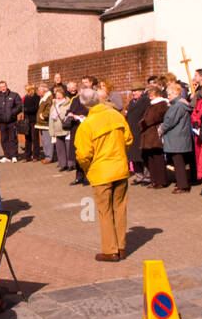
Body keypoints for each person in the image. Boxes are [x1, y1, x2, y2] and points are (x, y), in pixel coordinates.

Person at [73, 81, 133, 261]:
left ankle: (110, 250)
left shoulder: (87, 125)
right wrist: (121, 155)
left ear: (84, 104)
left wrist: (87, 168)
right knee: (120, 208)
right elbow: (128, 139)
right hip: (120, 168)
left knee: (105, 212)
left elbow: (83, 154)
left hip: (101, 172)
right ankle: (121, 246)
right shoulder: (116, 116)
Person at [160, 82, 194, 193]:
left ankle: (183, 185)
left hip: (177, 138)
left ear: (176, 93)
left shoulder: (178, 106)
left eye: (169, 94)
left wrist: (161, 129)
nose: (168, 96)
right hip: (179, 137)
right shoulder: (180, 105)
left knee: (178, 163)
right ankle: (181, 183)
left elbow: (170, 121)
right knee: (178, 162)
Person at [139, 84, 168, 189]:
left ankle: (161, 181)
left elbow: (152, 118)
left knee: (158, 159)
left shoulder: (161, 104)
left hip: (155, 135)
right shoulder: (152, 105)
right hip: (149, 135)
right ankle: (154, 180)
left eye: (152, 95)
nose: (150, 97)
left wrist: (143, 123)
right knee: (150, 159)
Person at [0, 80, 22, 162]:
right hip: (2, 122)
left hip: (12, 121)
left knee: (13, 138)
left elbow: (19, 106)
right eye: (1, 87)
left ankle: (14, 155)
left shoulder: (14, 95)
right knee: (3, 139)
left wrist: (12, 113)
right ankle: (7, 155)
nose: (3, 88)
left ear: (6, 86)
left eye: (4, 86)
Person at [125, 87, 150, 183]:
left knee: (142, 156)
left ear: (141, 91)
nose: (133, 93)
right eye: (133, 91)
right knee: (133, 156)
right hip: (132, 131)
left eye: (135, 91)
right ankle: (139, 176)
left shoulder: (145, 101)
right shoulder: (132, 102)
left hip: (140, 131)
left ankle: (147, 177)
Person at [48, 85, 72, 171]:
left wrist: (60, 113)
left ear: (63, 94)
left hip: (66, 129)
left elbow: (68, 116)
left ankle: (70, 164)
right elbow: (51, 119)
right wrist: (51, 132)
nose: (57, 96)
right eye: (56, 94)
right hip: (57, 129)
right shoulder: (53, 105)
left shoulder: (68, 104)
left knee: (69, 148)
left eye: (59, 94)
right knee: (60, 149)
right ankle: (63, 165)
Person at [36, 85, 54, 163]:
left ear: (44, 91)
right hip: (42, 123)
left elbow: (49, 109)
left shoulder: (48, 98)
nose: (38, 92)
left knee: (47, 141)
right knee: (44, 140)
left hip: (46, 123)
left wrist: (43, 116)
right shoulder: (44, 98)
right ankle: (47, 156)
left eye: (39, 90)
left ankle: (49, 157)